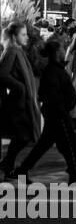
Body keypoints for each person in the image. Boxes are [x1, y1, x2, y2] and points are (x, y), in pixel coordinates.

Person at [13, 36, 76, 183]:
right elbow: (53, 95)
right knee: (69, 144)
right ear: (57, 53)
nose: (64, 51)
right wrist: (64, 108)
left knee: (46, 145)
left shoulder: (55, 69)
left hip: (57, 113)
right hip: (58, 114)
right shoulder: (53, 71)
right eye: (61, 49)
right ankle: (74, 174)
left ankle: (22, 170)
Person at [0, 22, 41, 180]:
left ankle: (8, 166)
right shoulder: (12, 50)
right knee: (24, 136)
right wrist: (20, 87)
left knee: (23, 136)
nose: (26, 37)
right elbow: (2, 74)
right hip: (17, 103)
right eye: (23, 34)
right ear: (14, 36)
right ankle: (7, 165)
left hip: (22, 102)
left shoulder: (17, 50)